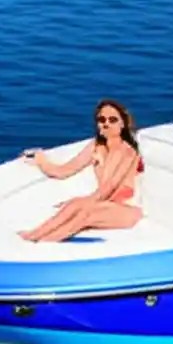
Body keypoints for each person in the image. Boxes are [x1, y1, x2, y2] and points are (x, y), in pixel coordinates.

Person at [18, 99, 144, 242]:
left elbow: (110, 188)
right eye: (102, 119)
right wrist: (41, 161)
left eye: (112, 120)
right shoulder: (96, 146)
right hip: (103, 203)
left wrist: (83, 202)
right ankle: (35, 234)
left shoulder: (128, 152)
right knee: (76, 205)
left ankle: (44, 242)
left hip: (127, 208)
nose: (106, 124)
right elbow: (64, 171)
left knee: (84, 213)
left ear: (122, 123)